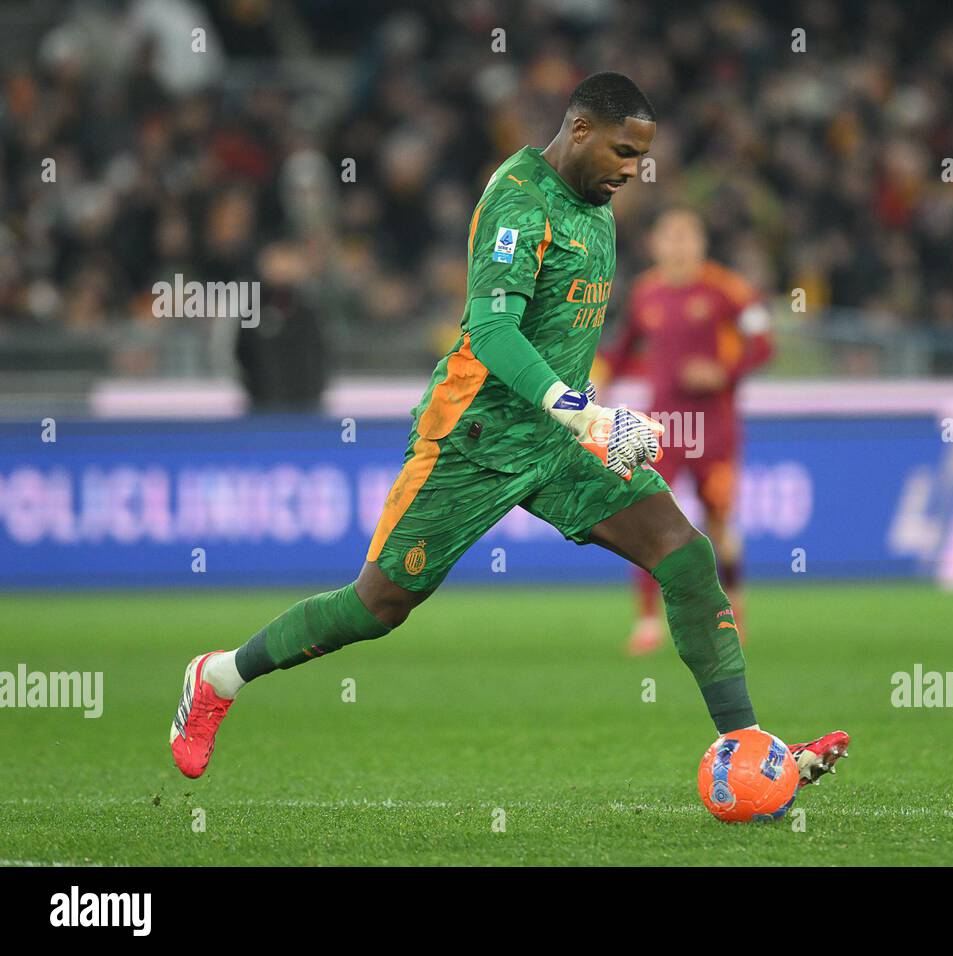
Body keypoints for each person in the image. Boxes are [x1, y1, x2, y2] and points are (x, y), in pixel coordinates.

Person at [169, 72, 848, 795]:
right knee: (376, 607)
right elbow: (492, 331)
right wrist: (584, 411)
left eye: (641, 157)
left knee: (684, 555)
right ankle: (217, 677)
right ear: (580, 130)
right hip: (473, 437)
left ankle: (748, 747)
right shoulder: (519, 202)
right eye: (623, 151)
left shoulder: (599, 207)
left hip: (557, 444)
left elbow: (567, 332)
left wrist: (588, 414)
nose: (631, 170)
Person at [599, 207, 772, 655]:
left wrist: (723, 372)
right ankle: (647, 622)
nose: (677, 247)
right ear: (655, 245)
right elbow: (622, 350)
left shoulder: (728, 290)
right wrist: (598, 385)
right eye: (669, 238)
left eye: (685, 237)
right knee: (647, 516)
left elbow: (764, 343)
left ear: (701, 244)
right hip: (662, 428)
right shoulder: (645, 293)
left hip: (713, 429)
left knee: (717, 521)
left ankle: (734, 608)